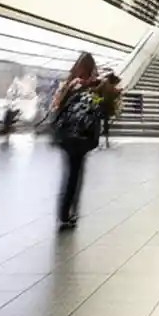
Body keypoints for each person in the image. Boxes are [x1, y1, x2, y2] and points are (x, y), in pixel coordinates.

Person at [53, 53, 102, 230]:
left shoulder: (67, 84)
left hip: (66, 135)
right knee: (76, 174)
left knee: (69, 173)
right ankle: (69, 212)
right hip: (82, 135)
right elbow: (98, 108)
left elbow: (56, 105)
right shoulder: (93, 86)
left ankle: (64, 211)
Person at [94, 73, 122, 149]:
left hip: (105, 106)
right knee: (103, 123)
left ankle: (103, 141)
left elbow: (97, 90)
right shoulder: (106, 84)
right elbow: (96, 90)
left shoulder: (108, 85)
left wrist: (117, 92)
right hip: (103, 105)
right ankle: (104, 141)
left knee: (103, 123)